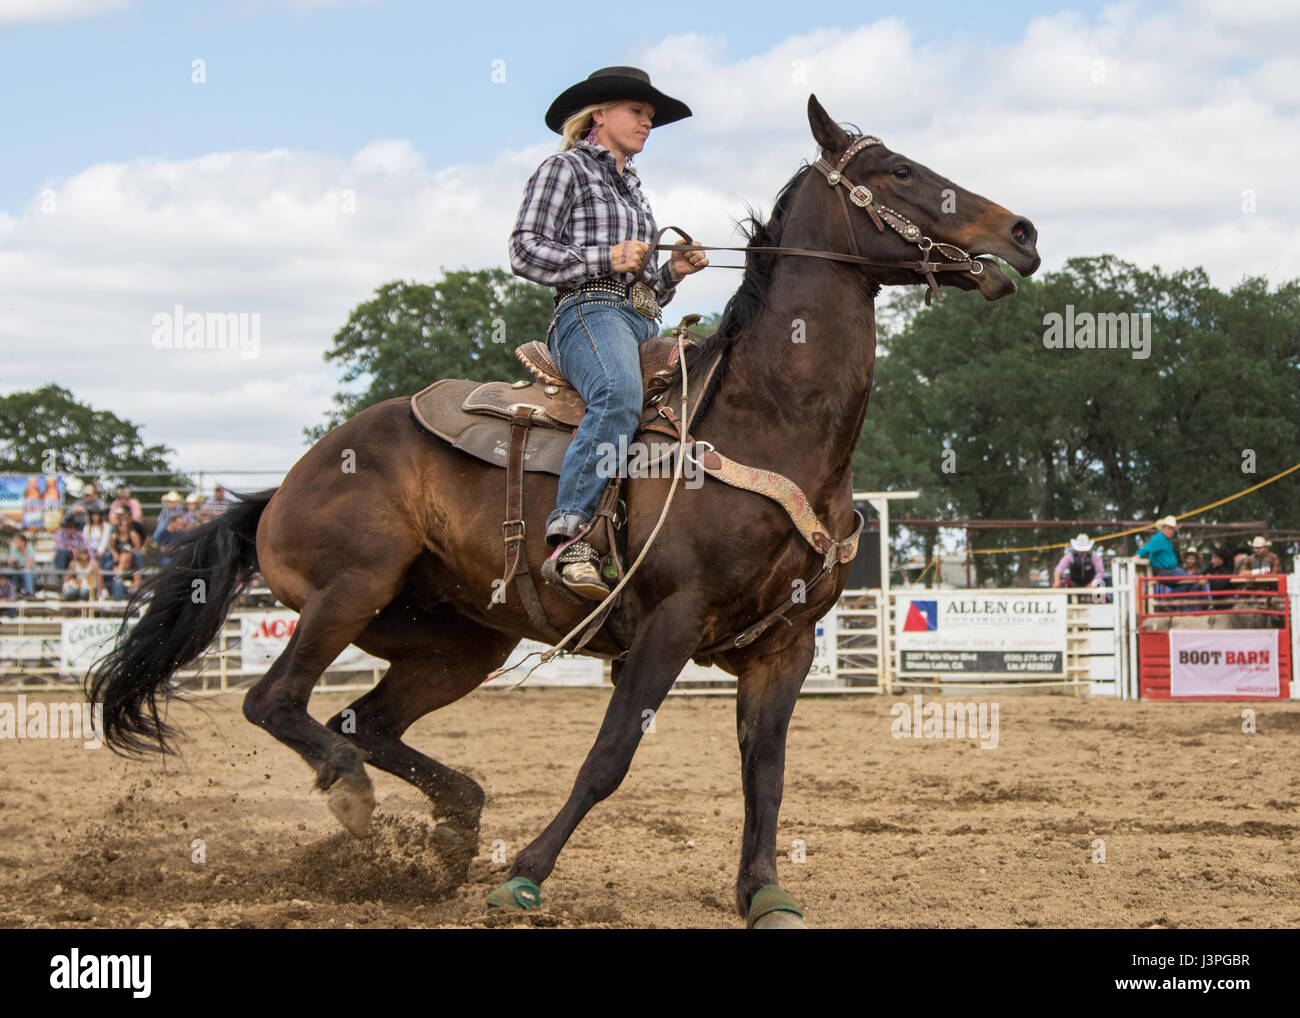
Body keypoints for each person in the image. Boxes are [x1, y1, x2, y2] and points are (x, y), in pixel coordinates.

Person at [509, 66, 707, 598]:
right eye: (638, 111)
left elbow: (643, 292)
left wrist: (672, 275)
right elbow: (524, 249)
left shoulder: (637, 192)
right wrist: (608, 255)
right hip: (586, 313)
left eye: (650, 117)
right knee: (619, 395)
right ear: (600, 114)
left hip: (640, 319)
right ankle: (572, 535)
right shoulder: (565, 169)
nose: (648, 123)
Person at [5, 533, 37, 597]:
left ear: (23, 542)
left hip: (30, 573)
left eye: (17, 541)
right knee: (11, 571)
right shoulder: (14, 550)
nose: (15, 543)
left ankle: (29, 592)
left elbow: (30, 565)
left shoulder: (30, 549)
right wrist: (11, 561)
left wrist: (21, 565)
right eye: (15, 541)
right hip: (17, 571)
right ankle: (13, 592)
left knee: (26, 571)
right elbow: (10, 562)